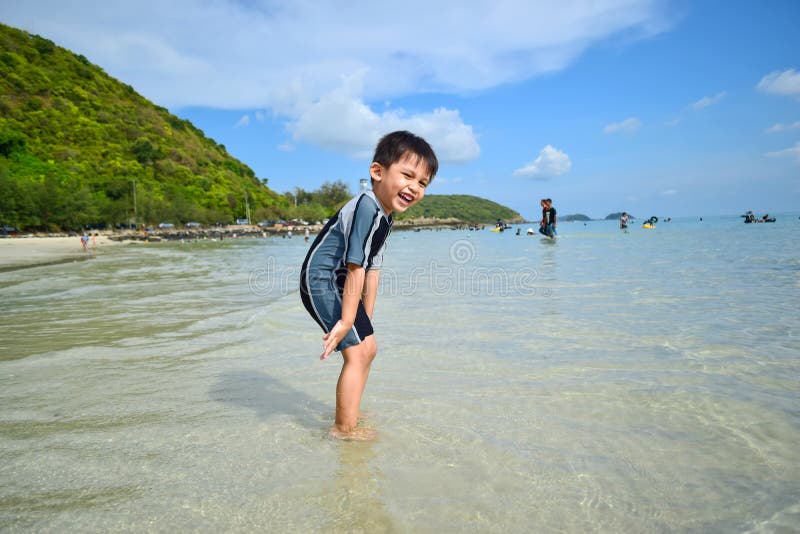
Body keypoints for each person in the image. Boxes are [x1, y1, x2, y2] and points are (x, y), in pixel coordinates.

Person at [300, 131, 438, 440]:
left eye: (422, 183)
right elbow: (355, 266)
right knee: (357, 353)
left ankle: (350, 412)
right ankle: (342, 430)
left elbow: (373, 269)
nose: (414, 188)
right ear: (377, 172)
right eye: (408, 176)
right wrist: (348, 321)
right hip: (321, 279)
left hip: (342, 280)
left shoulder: (385, 216)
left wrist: (366, 319)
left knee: (369, 347)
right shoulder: (366, 206)